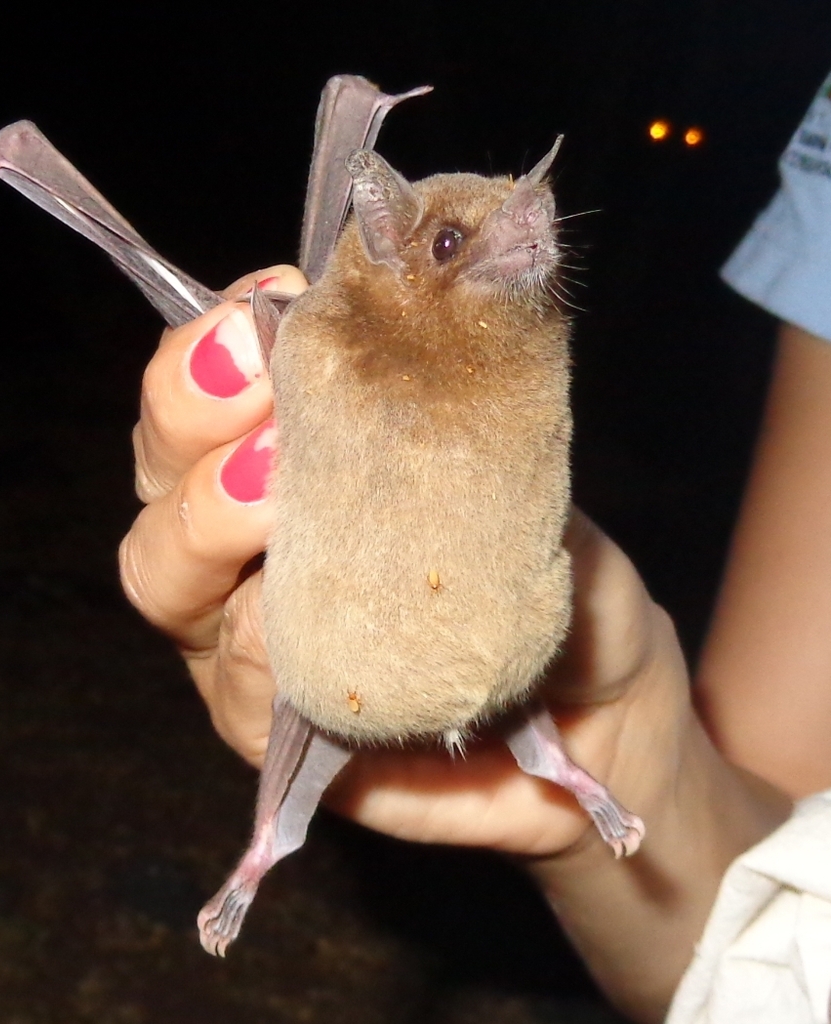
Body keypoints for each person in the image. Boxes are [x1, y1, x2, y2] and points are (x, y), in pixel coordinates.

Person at [117, 74, 831, 1024]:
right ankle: (269, 849)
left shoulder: (530, 354)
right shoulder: (332, 331)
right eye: (454, 241)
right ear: (391, 246)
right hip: (363, 629)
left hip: (506, 645)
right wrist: (636, 754)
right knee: (298, 656)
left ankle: (562, 770)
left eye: (526, 216)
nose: (524, 236)